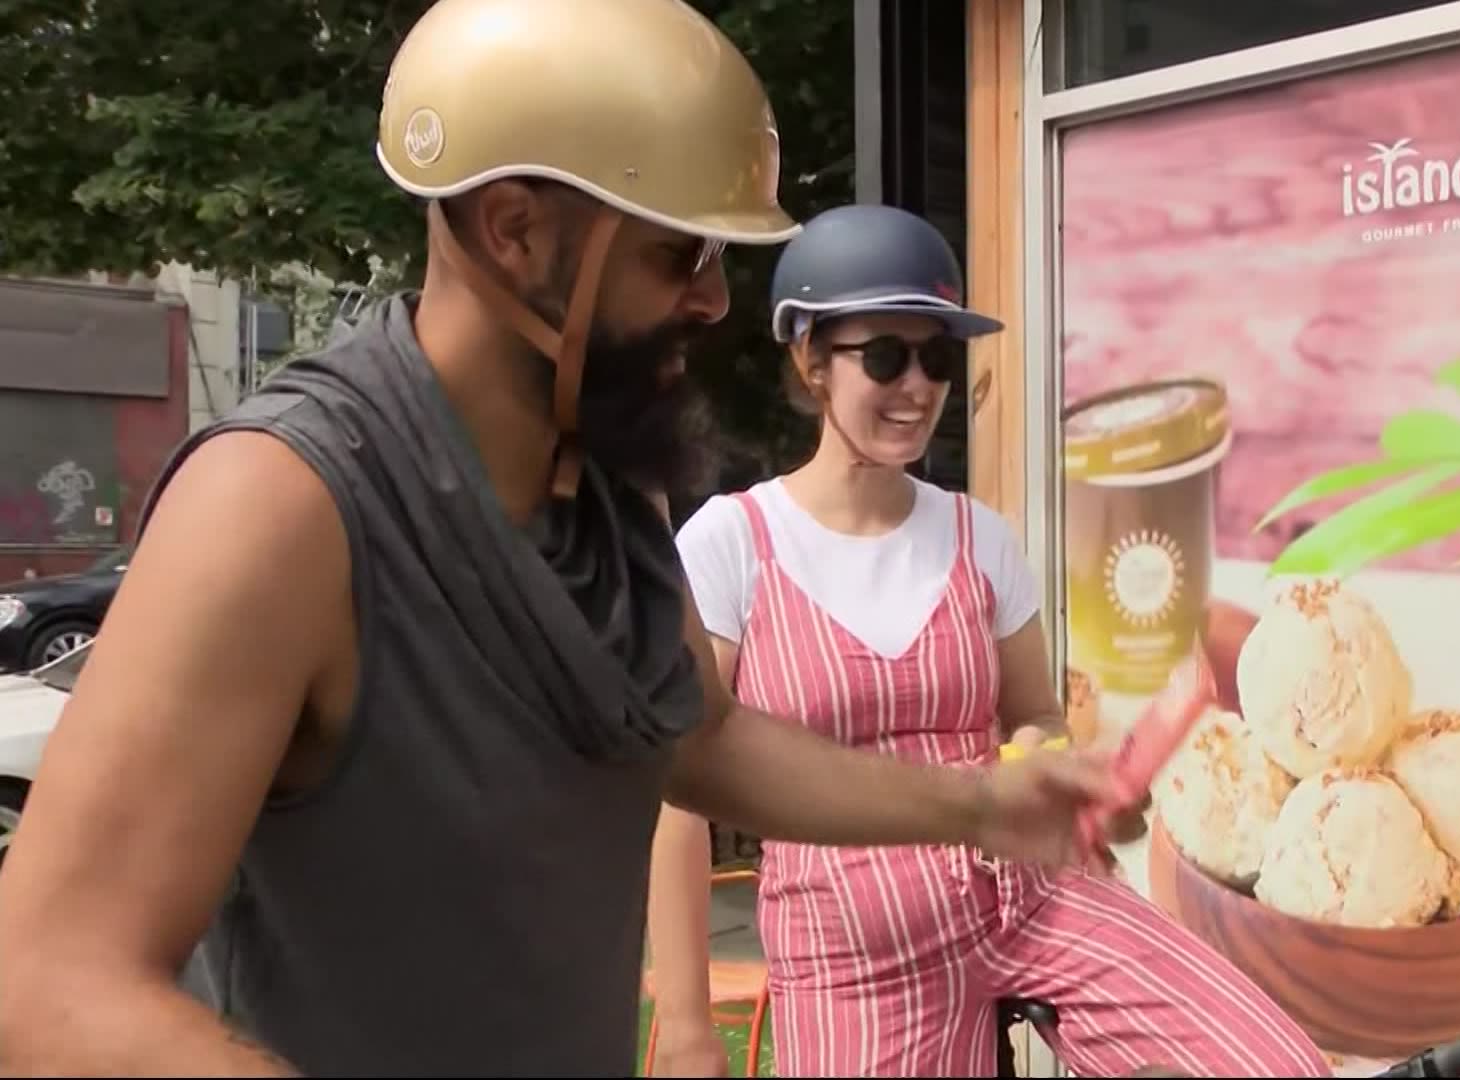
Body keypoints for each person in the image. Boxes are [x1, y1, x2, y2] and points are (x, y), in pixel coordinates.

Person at [0, 3, 1150, 1076]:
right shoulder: (281, 505)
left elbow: (695, 741)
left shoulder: (614, 485)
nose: (711, 302)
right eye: (677, 256)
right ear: (514, 230)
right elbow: (47, 984)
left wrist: (984, 806)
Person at [644, 203, 1331, 1079]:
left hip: (1028, 901)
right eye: (886, 356)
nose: (920, 385)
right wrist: (689, 1025)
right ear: (811, 360)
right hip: (857, 951)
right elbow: (684, 800)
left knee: (1273, 1066)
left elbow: (1033, 713)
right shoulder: (731, 544)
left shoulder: (979, 537)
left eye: (937, 356)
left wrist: (1047, 771)